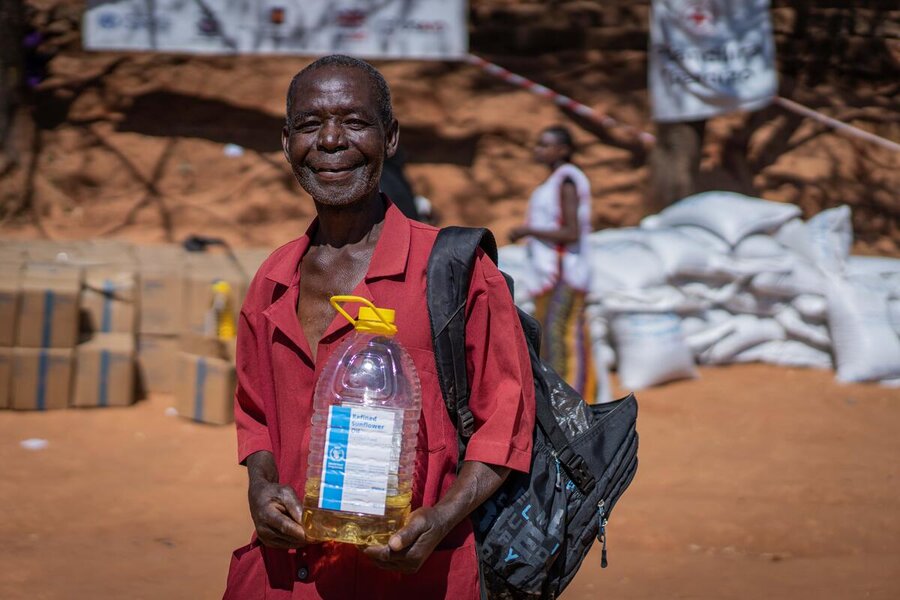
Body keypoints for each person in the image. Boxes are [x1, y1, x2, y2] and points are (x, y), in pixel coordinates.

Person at [223, 54, 535, 600]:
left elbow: (505, 424)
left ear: (390, 138)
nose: (330, 140)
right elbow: (257, 416)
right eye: (310, 124)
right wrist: (261, 484)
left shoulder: (454, 273)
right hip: (286, 580)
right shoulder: (273, 280)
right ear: (287, 143)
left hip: (414, 578)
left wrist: (442, 517)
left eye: (354, 122)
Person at [508, 126, 596, 401]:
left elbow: (571, 231)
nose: (539, 150)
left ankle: (575, 402)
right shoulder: (554, 182)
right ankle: (560, 402)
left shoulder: (567, 180)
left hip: (563, 273)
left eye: (546, 145)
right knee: (550, 338)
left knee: (562, 338)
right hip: (549, 275)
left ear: (563, 149)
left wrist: (529, 231)